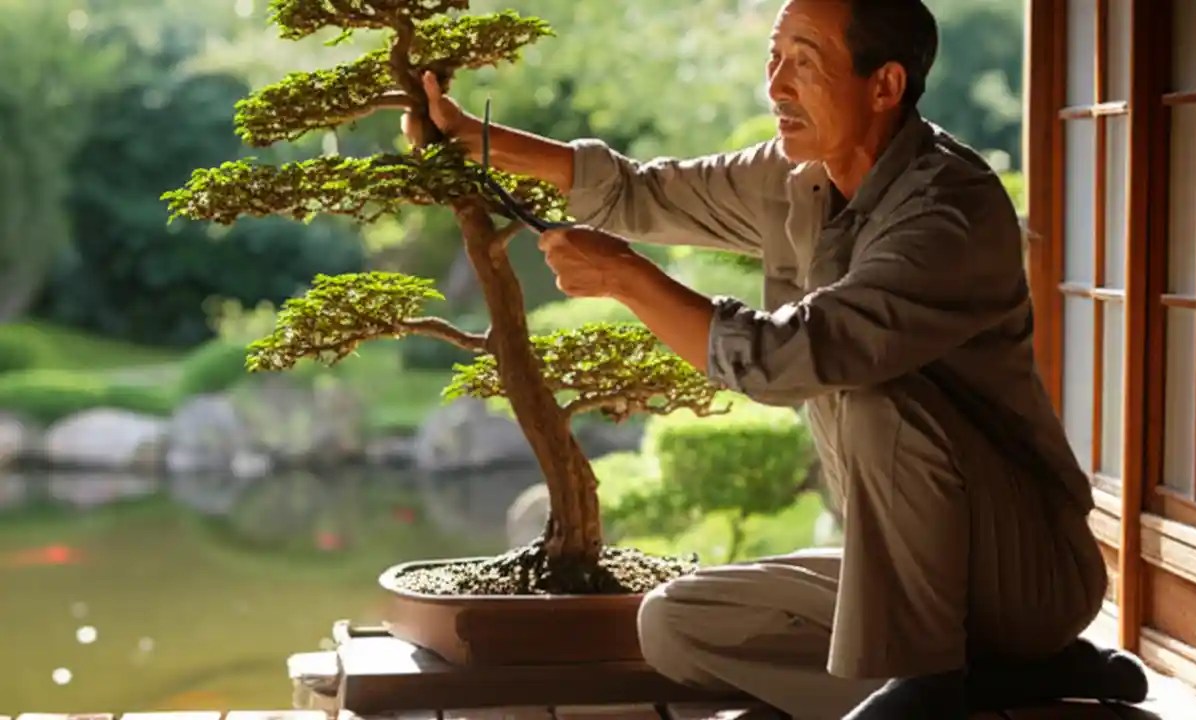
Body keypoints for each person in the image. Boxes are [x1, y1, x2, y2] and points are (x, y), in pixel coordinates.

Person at [403, 0, 1150, 717]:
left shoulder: (947, 211)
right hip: (900, 576)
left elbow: (787, 358)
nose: (776, 84)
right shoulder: (800, 175)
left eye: (805, 60)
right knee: (673, 625)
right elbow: (642, 192)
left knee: (870, 397)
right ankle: (981, 686)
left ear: (885, 84)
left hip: (1023, 576)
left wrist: (627, 279)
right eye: (773, 57)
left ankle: (940, 679)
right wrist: (479, 140)